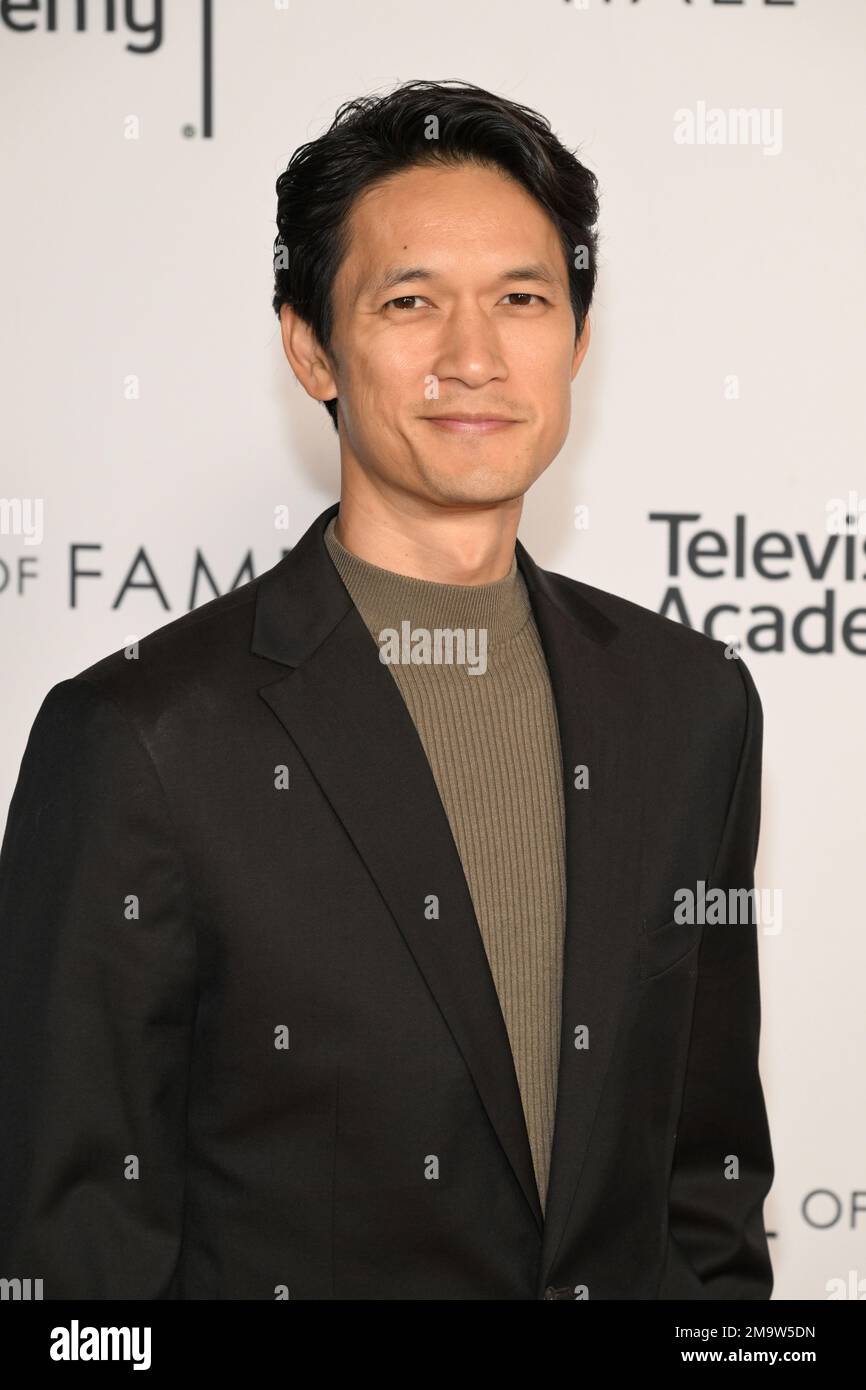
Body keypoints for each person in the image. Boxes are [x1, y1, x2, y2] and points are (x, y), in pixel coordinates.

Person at [0, 80, 773, 1299]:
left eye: (522, 300)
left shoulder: (693, 706)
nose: (472, 357)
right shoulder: (140, 739)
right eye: (408, 302)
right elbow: (74, 1259)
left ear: (575, 340)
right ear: (311, 346)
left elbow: (704, 1182)